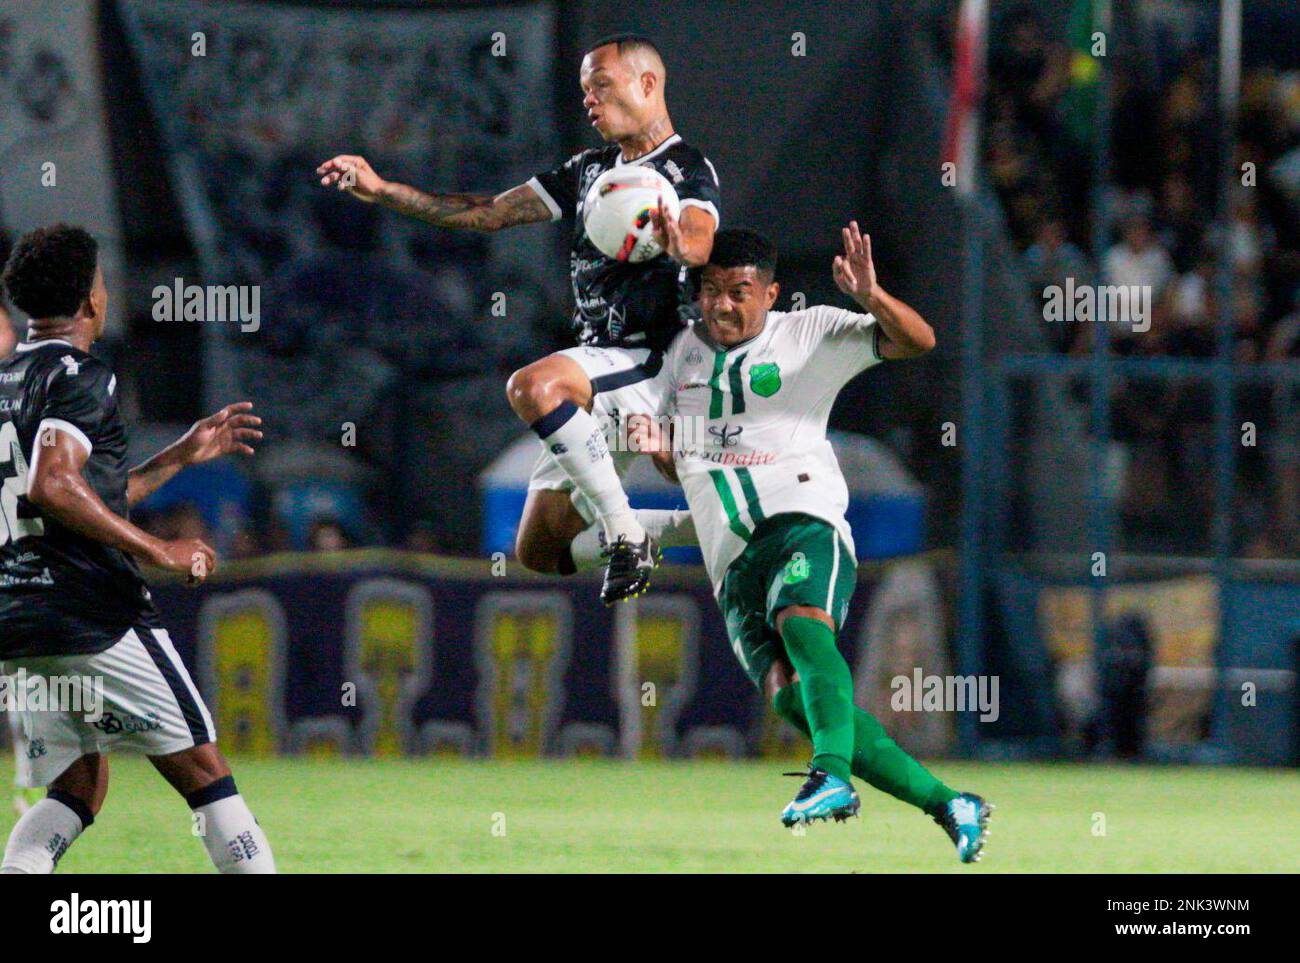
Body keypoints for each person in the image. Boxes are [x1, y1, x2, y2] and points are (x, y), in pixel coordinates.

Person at [629, 226, 992, 862]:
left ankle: (829, 777)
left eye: (739, 291)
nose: (722, 305)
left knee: (804, 624)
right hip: (728, 557)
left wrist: (872, 294)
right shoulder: (678, 355)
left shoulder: (810, 332)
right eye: (711, 290)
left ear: (770, 293)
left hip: (801, 516)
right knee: (796, 700)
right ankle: (949, 803)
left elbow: (919, 340)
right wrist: (655, 446)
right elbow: (683, 459)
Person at [317, 33, 719, 604]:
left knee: (532, 385)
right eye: (584, 91)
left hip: (649, 359)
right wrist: (383, 191)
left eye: (600, 86)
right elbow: (487, 213)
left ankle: (624, 529)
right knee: (541, 549)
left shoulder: (683, 168)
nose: (589, 100)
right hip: (598, 366)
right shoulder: (590, 169)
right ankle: (703, 529)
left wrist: (680, 243)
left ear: (647, 84)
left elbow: (701, 240)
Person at [0, 224, 275, 873]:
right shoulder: (81, 373)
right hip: (91, 609)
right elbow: (56, 483)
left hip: (17, 618)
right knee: (208, 775)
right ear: (90, 300)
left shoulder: (8, 379)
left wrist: (180, 455)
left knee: (78, 785)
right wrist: (158, 548)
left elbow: (77, 491)